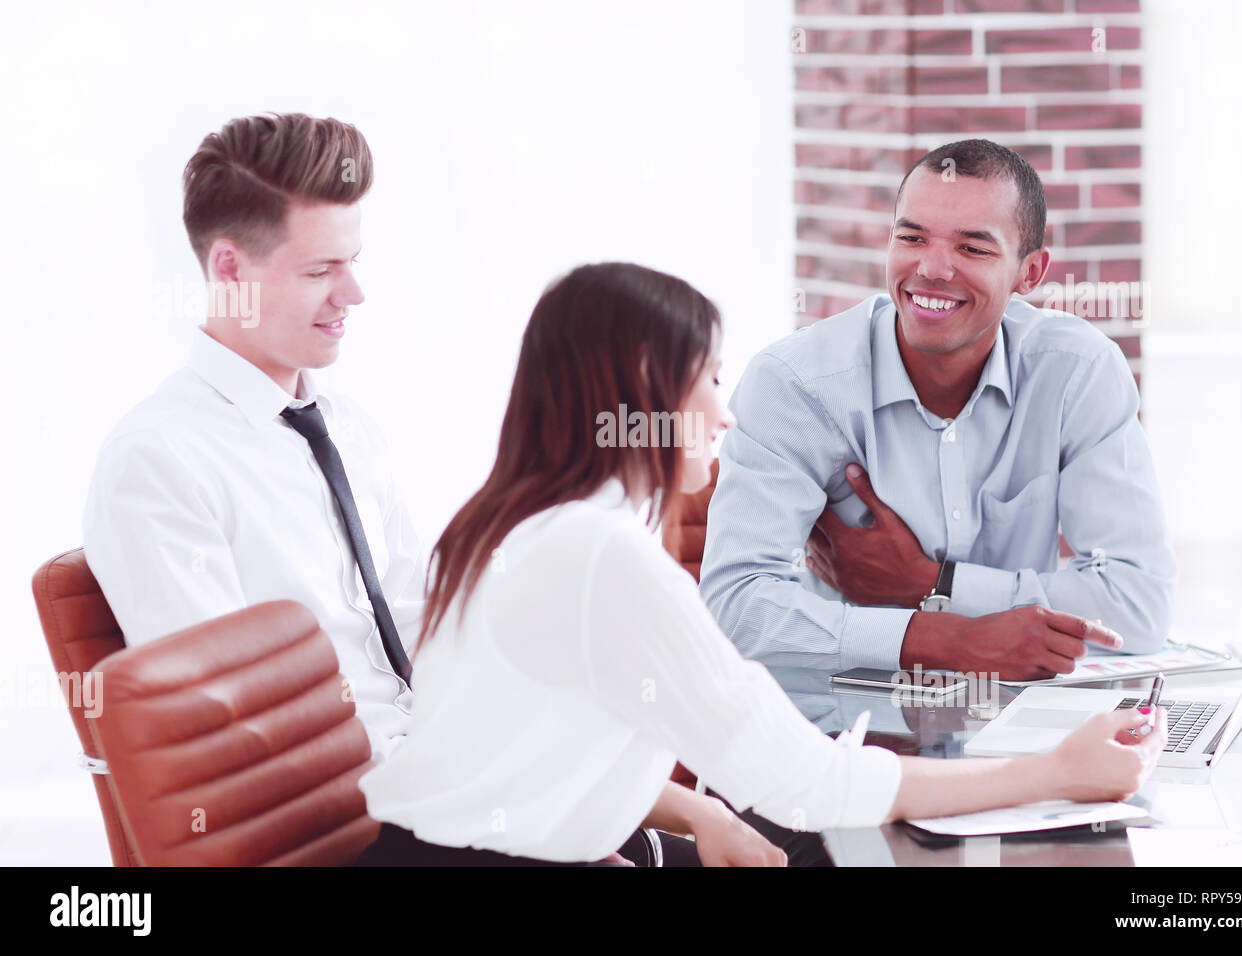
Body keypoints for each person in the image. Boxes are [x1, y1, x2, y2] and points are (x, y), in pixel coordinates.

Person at [357, 261, 1167, 867]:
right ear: (646, 391)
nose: (728, 411)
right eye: (708, 378)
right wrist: (1057, 771)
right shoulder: (602, 557)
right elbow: (807, 782)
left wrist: (698, 816)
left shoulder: (504, 524)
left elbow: (528, 747)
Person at [700, 139, 1177, 683]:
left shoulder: (1076, 371)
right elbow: (734, 607)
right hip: (838, 728)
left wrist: (932, 584)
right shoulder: (797, 384)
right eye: (912, 237)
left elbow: (1139, 605)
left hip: (1021, 725)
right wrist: (945, 639)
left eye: (973, 248)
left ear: (1030, 272)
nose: (931, 268)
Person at [83, 113, 422, 759]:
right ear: (230, 268)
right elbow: (227, 717)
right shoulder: (158, 461)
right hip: (339, 819)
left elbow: (417, 621)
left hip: (436, 777)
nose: (355, 293)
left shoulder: (350, 428)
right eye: (321, 271)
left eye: (352, 263)